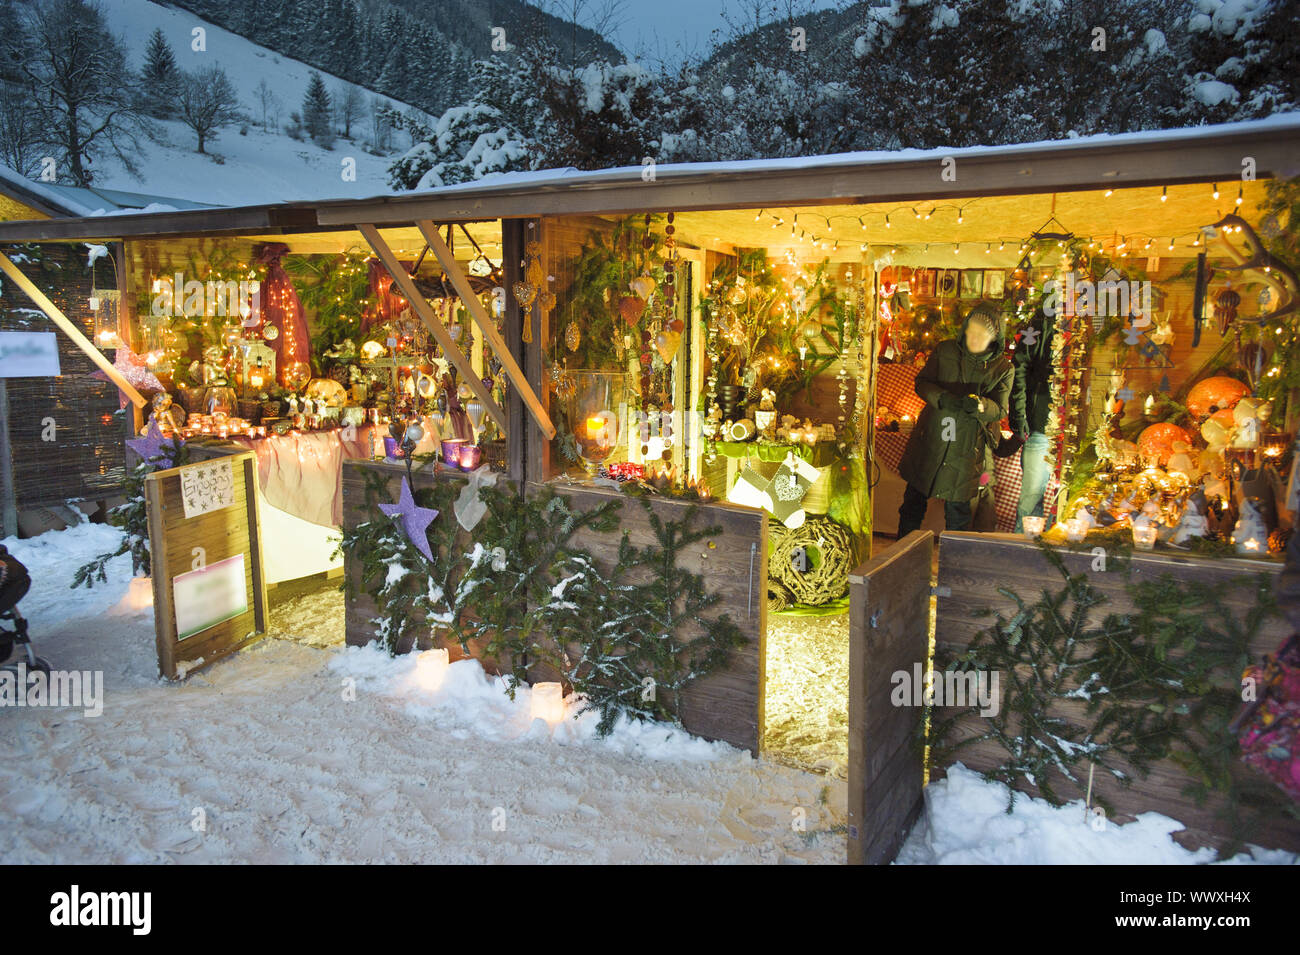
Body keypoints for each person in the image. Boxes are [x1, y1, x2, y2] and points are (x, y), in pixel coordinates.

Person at [897, 302, 1013, 537]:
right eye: (971, 330)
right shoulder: (945, 351)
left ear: (994, 337)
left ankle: (952, 566)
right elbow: (922, 382)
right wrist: (941, 398)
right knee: (913, 503)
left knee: (958, 512)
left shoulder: (1003, 368)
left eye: (982, 334)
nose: (974, 338)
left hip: (966, 445)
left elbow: (1000, 408)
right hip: (932, 437)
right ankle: (900, 559)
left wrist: (981, 405)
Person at [1010, 303, 1056, 533]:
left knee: (1069, 501)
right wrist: (1020, 417)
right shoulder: (1044, 321)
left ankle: (1049, 555)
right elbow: (1019, 369)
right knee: (1032, 496)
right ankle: (1022, 552)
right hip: (1042, 423)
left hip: (1079, 427)